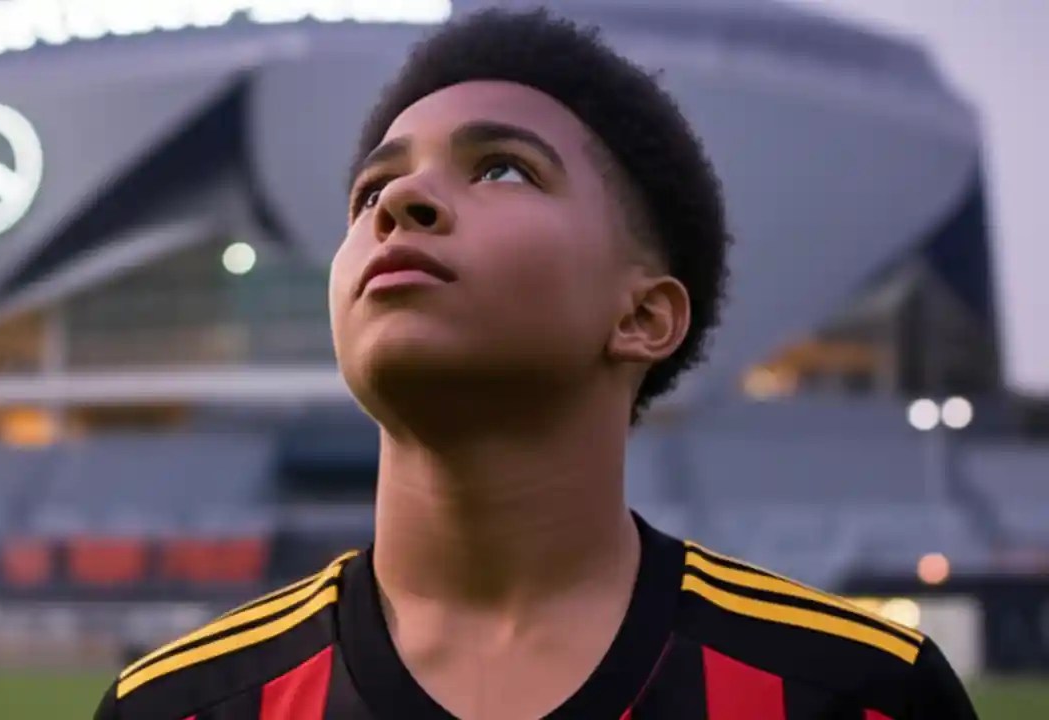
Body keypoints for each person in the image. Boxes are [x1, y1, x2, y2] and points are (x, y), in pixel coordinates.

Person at [95, 8, 978, 719]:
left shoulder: (863, 694)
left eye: (504, 170)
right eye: (371, 192)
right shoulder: (175, 706)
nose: (400, 201)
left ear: (641, 315)